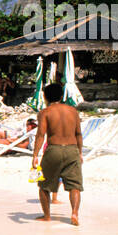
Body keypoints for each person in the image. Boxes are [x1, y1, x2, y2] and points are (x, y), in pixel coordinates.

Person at [32, 82, 83, 225]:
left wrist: (35, 155)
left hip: (54, 149)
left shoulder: (45, 112)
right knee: (75, 185)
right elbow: (78, 134)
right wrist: (79, 153)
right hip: (72, 148)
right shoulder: (73, 111)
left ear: (45, 97)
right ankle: (74, 214)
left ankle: (47, 216)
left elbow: (40, 135)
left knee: (43, 185)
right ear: (61, 96)